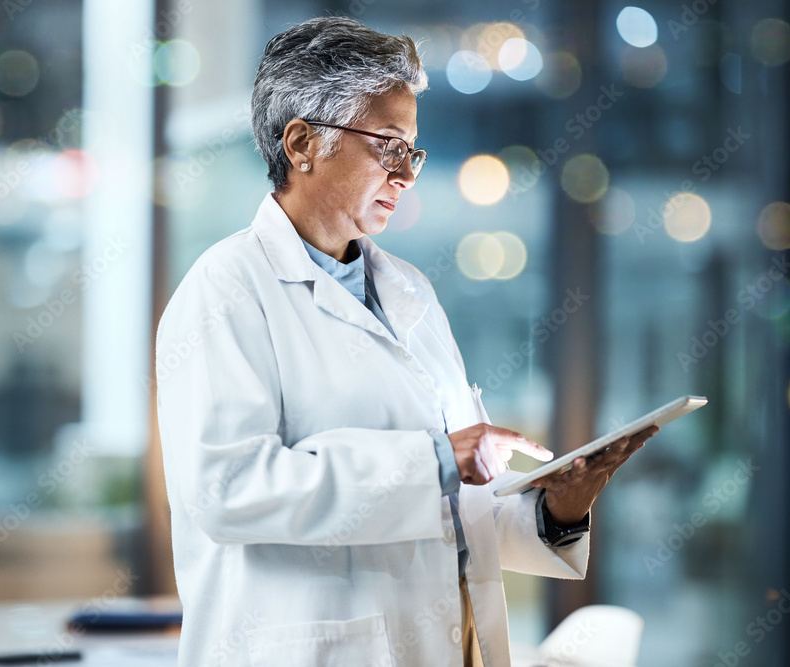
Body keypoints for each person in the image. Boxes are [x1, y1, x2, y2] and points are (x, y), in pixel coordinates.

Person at [155, 16, 658, 666]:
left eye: (412, 149)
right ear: (303, 142)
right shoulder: (224, 291)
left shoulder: (410, 291)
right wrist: (439, 459)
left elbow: (453, 506)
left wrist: (557, 507)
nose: (407, 174)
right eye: (387, 145)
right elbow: (229, 489)